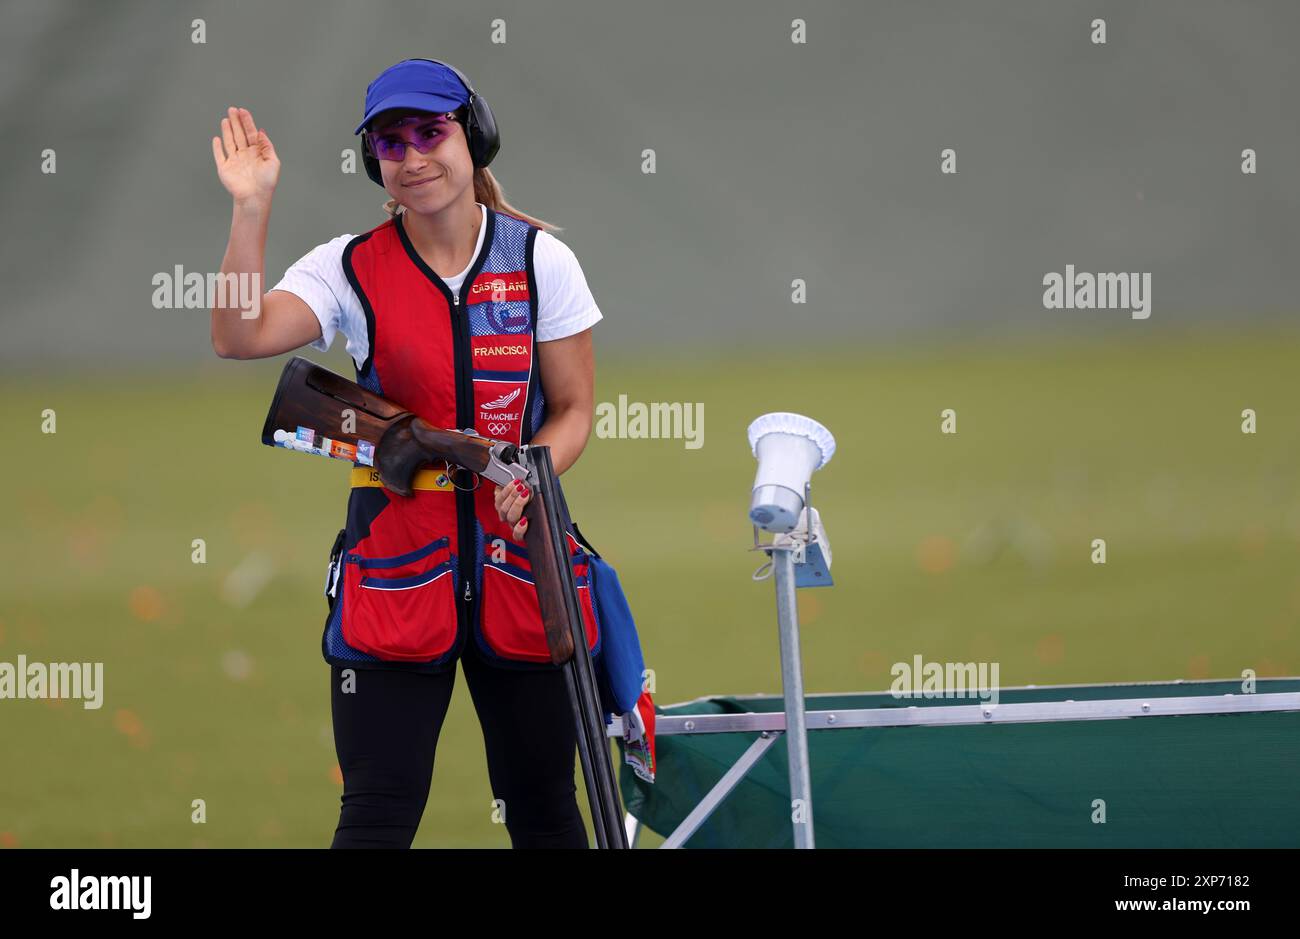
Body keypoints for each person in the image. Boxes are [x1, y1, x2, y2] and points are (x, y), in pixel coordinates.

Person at [209, 58, 605, 848]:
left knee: (545, 811)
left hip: (522, 567)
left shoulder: (540, 261)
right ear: (374, 161)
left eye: (431, 132)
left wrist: (530, 471)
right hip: (395, 571)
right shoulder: (347, 266)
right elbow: (237, 334)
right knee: (376, 816)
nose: (413, 156)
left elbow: (573, 410)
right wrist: (250, 208)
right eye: (392, 142)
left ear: (473, 136)